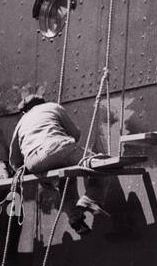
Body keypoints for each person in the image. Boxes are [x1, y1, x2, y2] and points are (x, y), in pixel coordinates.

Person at [9, 93, 103, 235]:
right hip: (56, 147)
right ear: (42, 102)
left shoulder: (21, 122)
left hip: (34, 163)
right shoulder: (52, 107)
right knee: (100, 163)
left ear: (25, 110)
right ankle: (91, 199)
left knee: (65, 180)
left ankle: (75, 219)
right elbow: (76, 134)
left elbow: (14, 159)